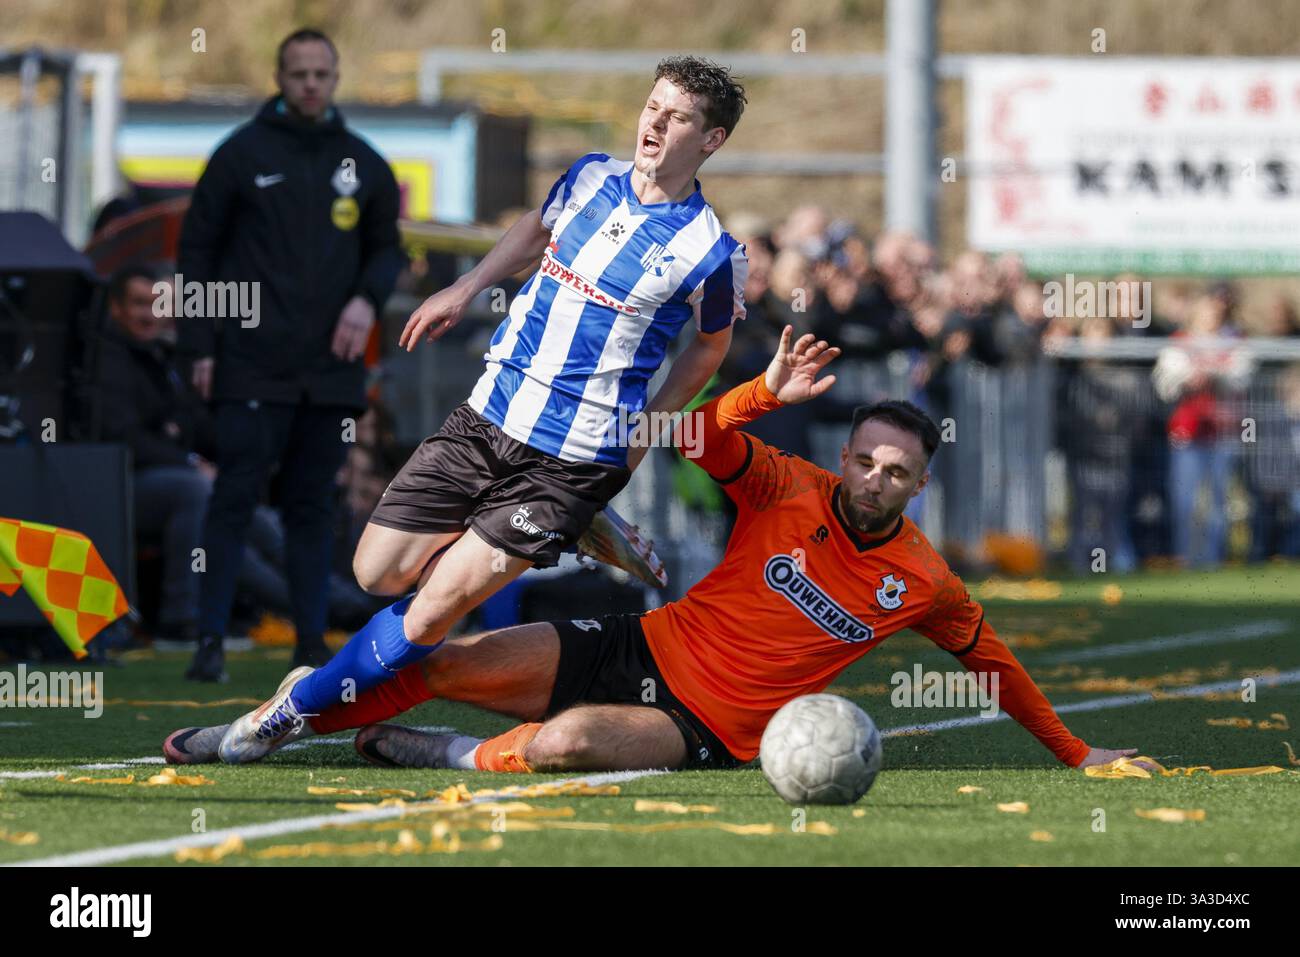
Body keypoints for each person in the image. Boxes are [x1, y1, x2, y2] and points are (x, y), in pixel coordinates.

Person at [166, 329, 1135, 772]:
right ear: (845, 458)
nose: (878, 478)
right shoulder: (786, 485)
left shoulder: (921, 579)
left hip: (709, 731)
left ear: (921, 484)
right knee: (442, 657)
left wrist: (1076, 752)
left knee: (564, 745)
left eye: (898, 471)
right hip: (641, 644)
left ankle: (455, 756)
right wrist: (764, 393)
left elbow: (995, 665)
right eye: (868, 460)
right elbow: (702, 436)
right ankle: (274, 725)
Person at [209, 55, 751, 761]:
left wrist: (642, 435)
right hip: (488, 417)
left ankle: (289, 712)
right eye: (653, 105)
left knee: (438, 605)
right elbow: (534, 229)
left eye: (676, 116)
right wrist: (463, 289)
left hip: (574, 457)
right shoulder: (589, 176)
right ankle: (568, 531)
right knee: (378, 573)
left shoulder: (709, 248)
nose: (654, 123)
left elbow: (708, 349)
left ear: (709, 141)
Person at [176, 28, 403, 680]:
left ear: (335, 79)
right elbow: (196, 254)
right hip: (249, 361)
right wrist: (199, 344)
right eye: (299, 72)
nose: (310, 83)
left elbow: (389, 250)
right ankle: (208, 642)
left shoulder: (362, 162)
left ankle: (309, 643)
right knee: (234, 500)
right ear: (280, 78)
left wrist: (367, 299)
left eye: (321, 73)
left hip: (329, 372)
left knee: (313, 506)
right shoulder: (240, 155)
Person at [97, 265, 217, 643]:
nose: (149, 314)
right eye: (138, 304)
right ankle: (179, 618)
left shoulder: (164, 356)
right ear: (116, 308)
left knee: (242, 512)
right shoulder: (106, 357)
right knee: (195, 490)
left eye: (156, 304)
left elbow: (190, 423)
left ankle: (337, 602)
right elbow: (125, 435)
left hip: (168, 476)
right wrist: (189, 461)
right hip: (119, 484)